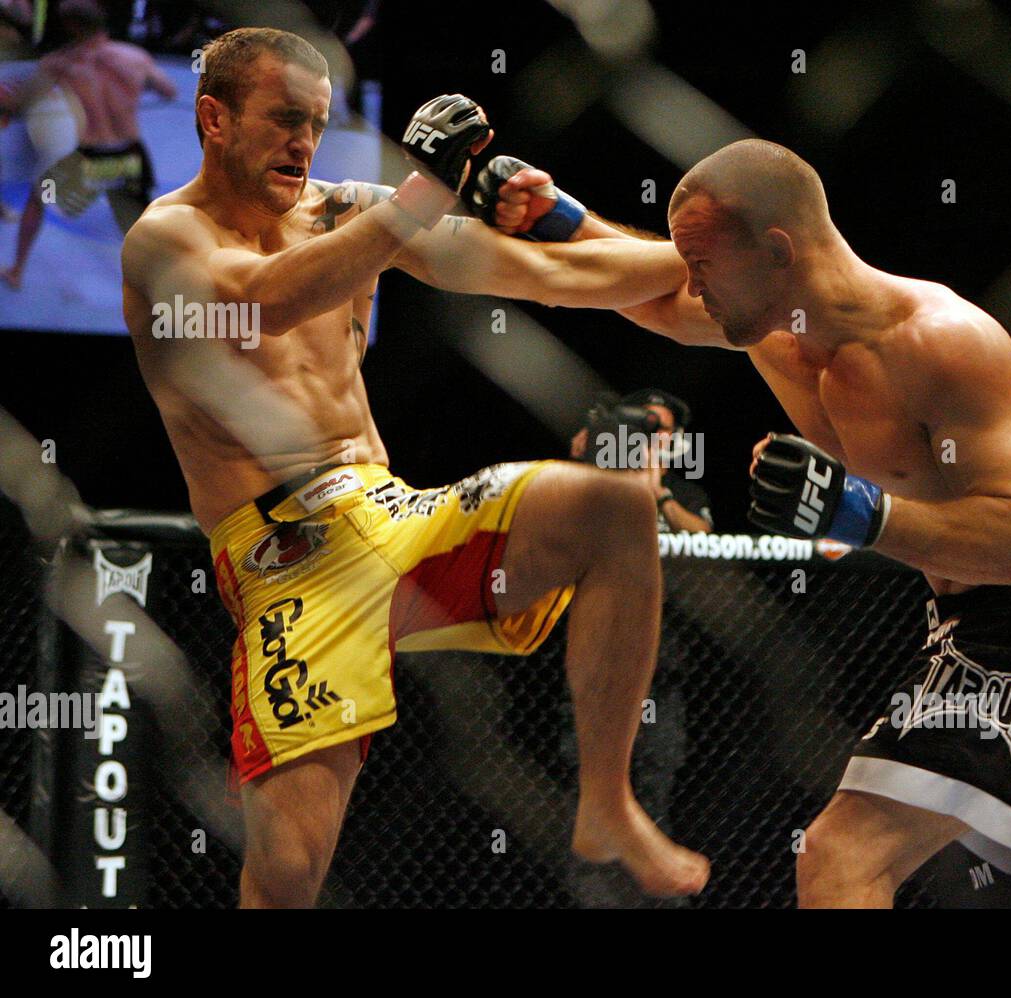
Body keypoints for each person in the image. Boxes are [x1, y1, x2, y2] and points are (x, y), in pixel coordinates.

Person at [478, 140, 1011, 909]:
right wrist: (561, 221)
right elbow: (646, 291)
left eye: (704, 264)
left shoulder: (941, 342)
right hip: (1009, 622)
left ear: (778, 251)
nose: (692, 285)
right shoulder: (780, 330)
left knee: (841, 856)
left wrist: (862, 513)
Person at [121, 26, 711, 906]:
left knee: (611, 507)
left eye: (316, 123)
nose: (304, 143)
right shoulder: (162, 242)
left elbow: (543, 276)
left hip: (395, 518)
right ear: (213, 118)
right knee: (284, 877)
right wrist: (420, 194)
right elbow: (264, 305)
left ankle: (606, 806)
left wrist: (703, 255)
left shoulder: (349, 212)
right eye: (283, 119)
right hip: (286, 560)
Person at [1, 0, 176, 290]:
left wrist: (10, 97)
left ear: (71, 27)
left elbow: (22, 103)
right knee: (139, 224)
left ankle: (17, 271)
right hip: (129, 154)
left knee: (37, 199)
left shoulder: (59, 63)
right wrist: (129, 91)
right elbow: (168, 91)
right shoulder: (134, 56)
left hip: (89, 159)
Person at [570, 388, 713, 534]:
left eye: (661, 428)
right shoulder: (608, 478)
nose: (652, 434)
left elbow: (704, 536)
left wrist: (659, 494)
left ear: (674, 436)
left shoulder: (686, 493)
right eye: (645, 425)